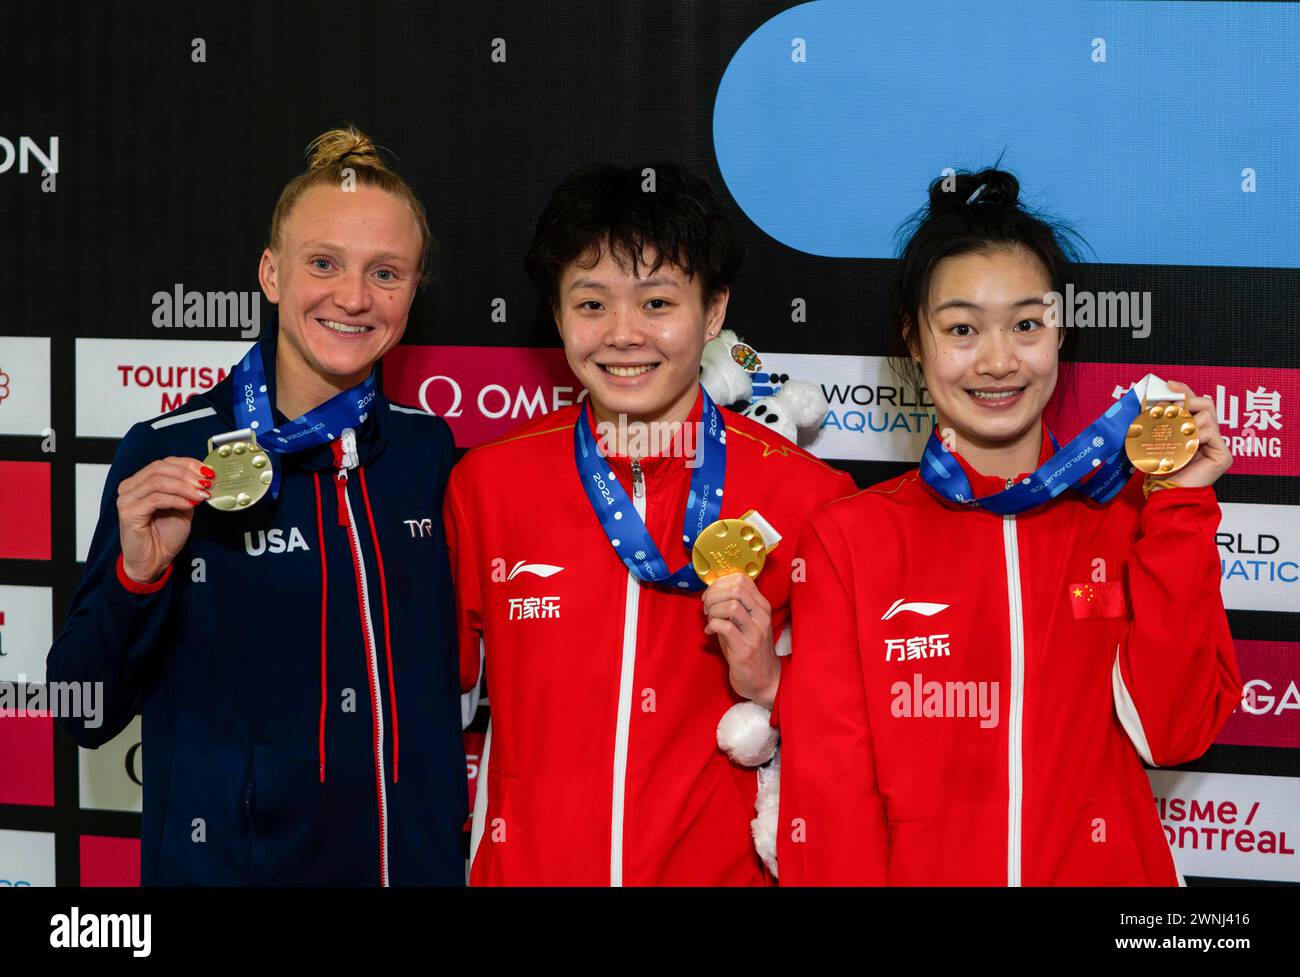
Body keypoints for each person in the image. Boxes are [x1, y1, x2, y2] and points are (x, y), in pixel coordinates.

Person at [778, 167, 1242, 886]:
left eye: (1027, 324)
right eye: (962, 328)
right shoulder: (849, 538)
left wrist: (1180, 505)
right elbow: (830, 799)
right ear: (914, 339)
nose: (998, 361)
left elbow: (1174, 732)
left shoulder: (1128, 519)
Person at [47, 126, 467, 885]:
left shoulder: (430, 455)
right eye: (323, 263)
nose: (353, 296)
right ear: (271, 274)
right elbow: (82, 709)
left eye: (386, 272)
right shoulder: (168, 450)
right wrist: (138, 579)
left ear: (413, 291)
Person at [444, 162, 856, 885]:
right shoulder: (488, 484)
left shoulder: (810, 495)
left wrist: (773, 680)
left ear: (715, 310)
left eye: (658, 302)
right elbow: (438, 706)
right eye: (592, 303)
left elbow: (860, 731)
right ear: (557, 311)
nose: (624, 335)